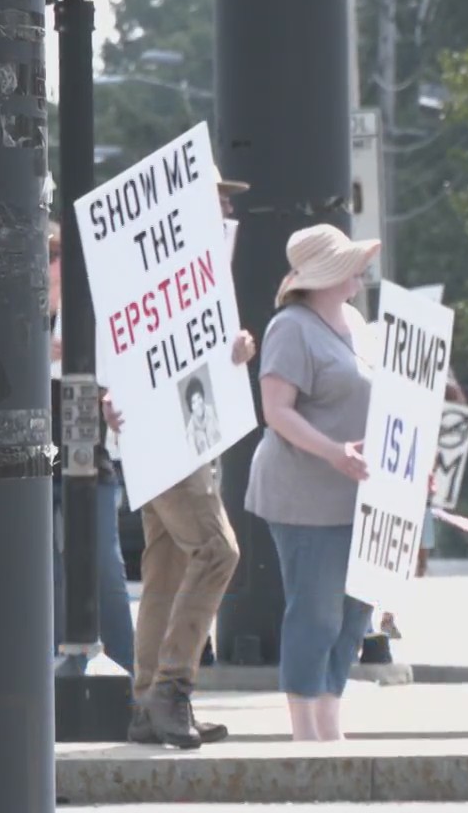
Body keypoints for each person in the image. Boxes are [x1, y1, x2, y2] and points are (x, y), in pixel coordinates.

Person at [108, 178, 258, 749]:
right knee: (219, 550)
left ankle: (149, 703)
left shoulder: (199, 274)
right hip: (163, 435)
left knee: (167, 567)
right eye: (218, 195)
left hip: (186, 435)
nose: (228, 205)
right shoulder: (151, 273)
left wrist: (234, 348)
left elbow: (198, 353)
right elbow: (118, 346)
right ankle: (172, 688)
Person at [245, 224, 382, 742]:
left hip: (361, 496)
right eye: (351, 265)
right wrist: (333, 452)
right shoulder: (291, 326)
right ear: (326, 275)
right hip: (304, 495)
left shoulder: (359, 324)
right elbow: (276, 412)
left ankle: (331, 723)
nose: (360, 273)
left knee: (352, 618)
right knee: (317, 613)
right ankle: (305, 735)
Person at [50, 219, 136, 676]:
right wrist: (39, 351)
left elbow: (118, 374)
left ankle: (128, 674)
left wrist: (110, 401)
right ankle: (47, 672)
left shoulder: (92, 310)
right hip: (31, 461)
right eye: (49, 257)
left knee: (106, 567)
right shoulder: (18, 314)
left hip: (88, 454)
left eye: (57, 257)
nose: (54, 267)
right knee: (45, 571)